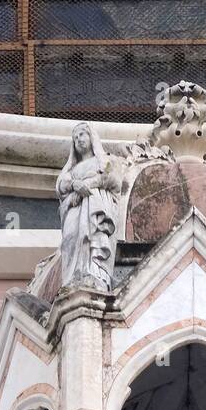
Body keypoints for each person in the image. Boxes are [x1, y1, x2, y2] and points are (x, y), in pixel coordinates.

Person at [56, 121, 121, 292]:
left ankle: (95, 273)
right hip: (75, 212)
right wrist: (74, 186)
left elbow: (112, 179)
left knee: (92, 240)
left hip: (95, 207)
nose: (78, 139)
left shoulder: (104, 160)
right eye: (75, 137)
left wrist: (89, 184)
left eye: (82, 135)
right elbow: (61, 186)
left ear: (91, 137)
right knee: (70, 239)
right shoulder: (71, 170)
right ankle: (73, 278)